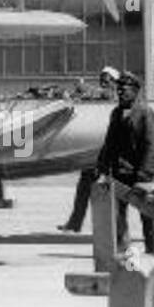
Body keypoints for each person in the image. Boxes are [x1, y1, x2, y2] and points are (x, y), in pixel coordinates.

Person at [95, 70, 154, 255]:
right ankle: (123, 254)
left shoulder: (146, 113)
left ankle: (152, 253)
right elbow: (109, 143)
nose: (121, 92)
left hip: (141, 176)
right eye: (119, 88)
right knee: (117, 217)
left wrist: (145, 174)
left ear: (136, 91)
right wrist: (102, 166)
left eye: (125, 88)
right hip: (119, 174)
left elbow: (152, 144)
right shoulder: (116, 113)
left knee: (148, 218)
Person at [57, 65, 118, 233]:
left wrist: (83, 86)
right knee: (83, 189)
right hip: (93, 152)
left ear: (114, 82)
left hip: (107, 154)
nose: (103, 83)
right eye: (102, 79)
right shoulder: (99, 97)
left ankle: (110, 229)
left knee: (107, 193)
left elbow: (101, 94)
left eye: (107, 80)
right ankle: (75, 223)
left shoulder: (113, 95)